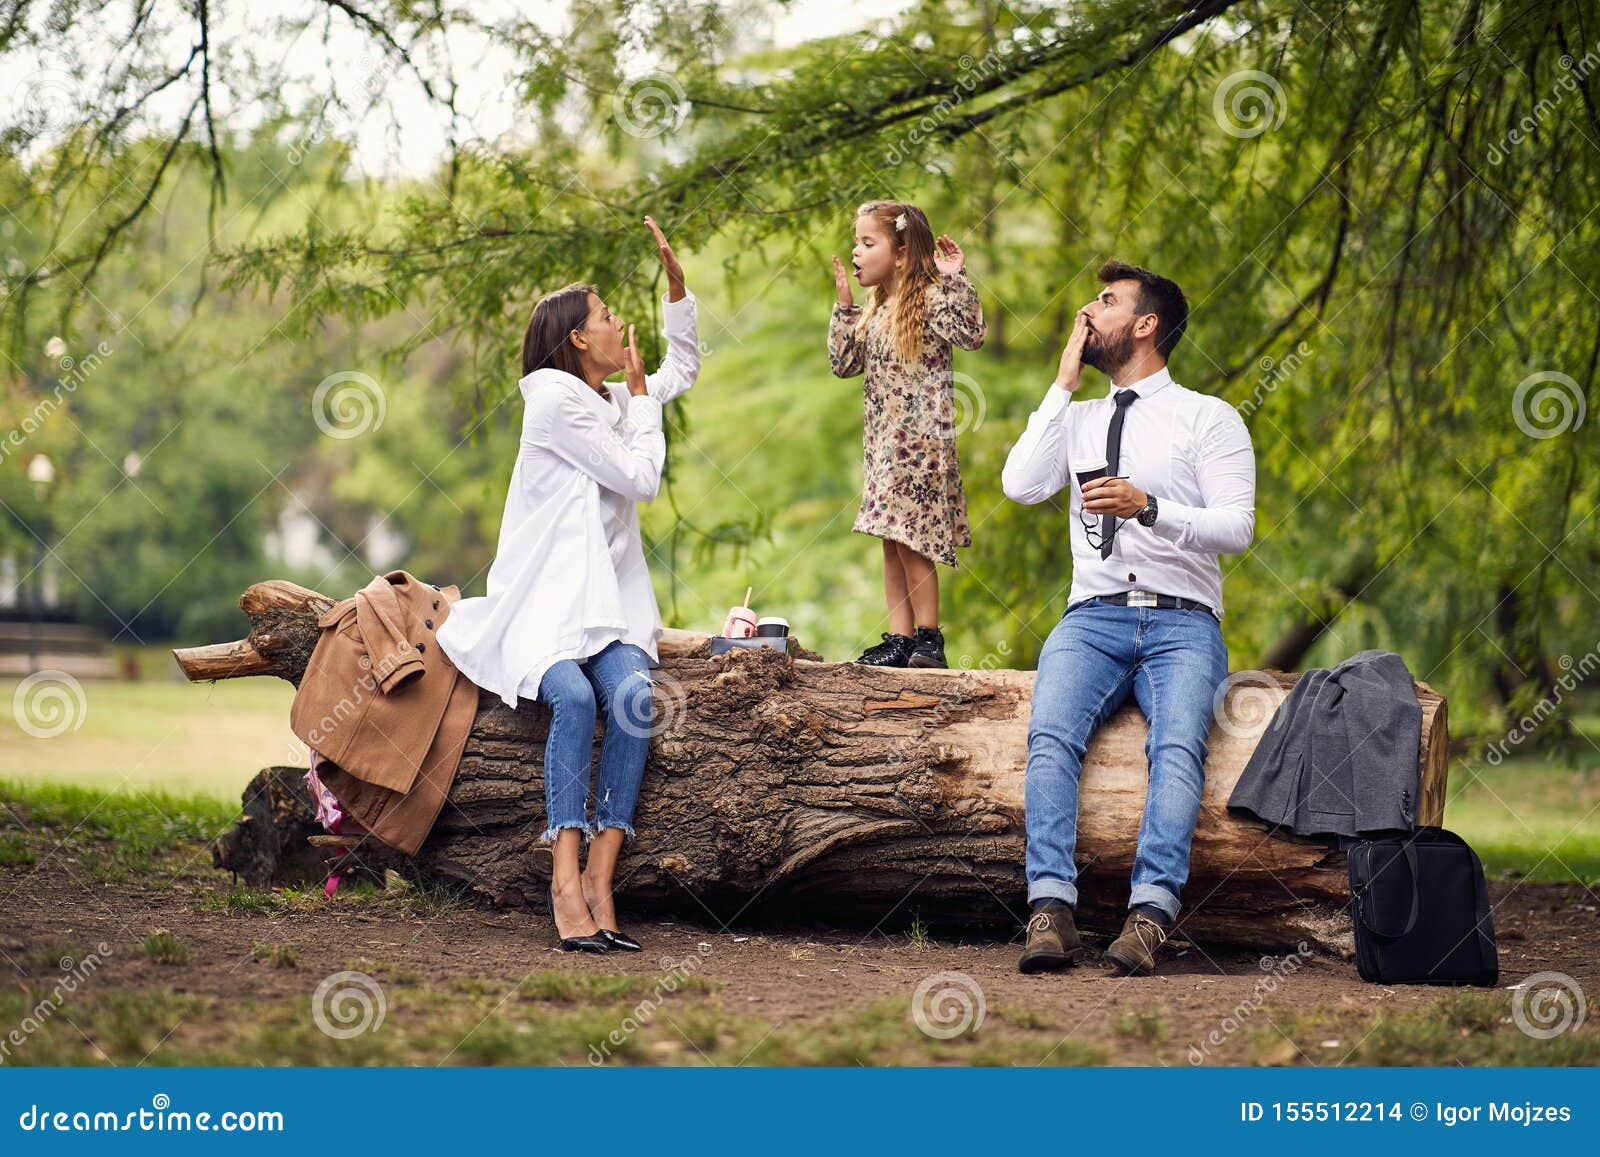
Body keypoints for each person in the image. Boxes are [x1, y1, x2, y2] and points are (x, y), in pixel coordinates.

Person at [436, 217, 698, 954]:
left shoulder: (608, 401)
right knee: (577, 697)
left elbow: (676, 376)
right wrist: (643, 402)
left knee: (633, 697)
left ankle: (602, 877)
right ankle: (562, 877)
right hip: (545, 609)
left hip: (606, 610)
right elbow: (643, 477)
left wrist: (679, 297)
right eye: (608, 316)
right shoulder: (555, 401)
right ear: (579, 339)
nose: (621, 323)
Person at [1000, 259, 1255, 976]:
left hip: (1183, 623)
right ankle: (1050, 908)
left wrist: (1150, 506)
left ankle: (1149, 915)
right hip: (1093, 617)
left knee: (1176, 750)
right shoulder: (1076, 419)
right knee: (1050, 738)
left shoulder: (1209, 416)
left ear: (1145, 325)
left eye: (1104, 301)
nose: (1086, 310)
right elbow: (1019, 484)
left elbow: (1237, 527)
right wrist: (1060, 385)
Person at [828, 199, 986, 669]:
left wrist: (955, 278)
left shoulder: (929, 298)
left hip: (920, 450)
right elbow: (844, 364)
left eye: (867, 242)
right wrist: (844, 308)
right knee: (891, 541)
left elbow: (972, 333)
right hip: (883, 448)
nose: (856, 252)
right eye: (856, 242)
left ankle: (928, 638)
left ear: (900, 253)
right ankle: (899, 639)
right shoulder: (877, 307)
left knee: (914, 540)